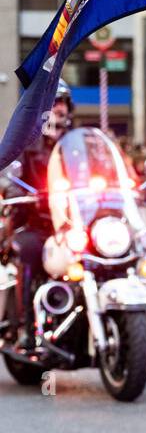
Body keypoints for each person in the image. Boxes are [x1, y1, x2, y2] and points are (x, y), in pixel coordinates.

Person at [1, 80, 73, 349]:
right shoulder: (25, 141)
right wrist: (13, 190)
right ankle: (27, 328)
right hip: (36, 224)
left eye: (63, 102)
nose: (59, 109)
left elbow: (102, 167)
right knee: (29, 251)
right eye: (54, 102)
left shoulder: (78, 141)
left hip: (71, 227)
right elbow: (11, 174)